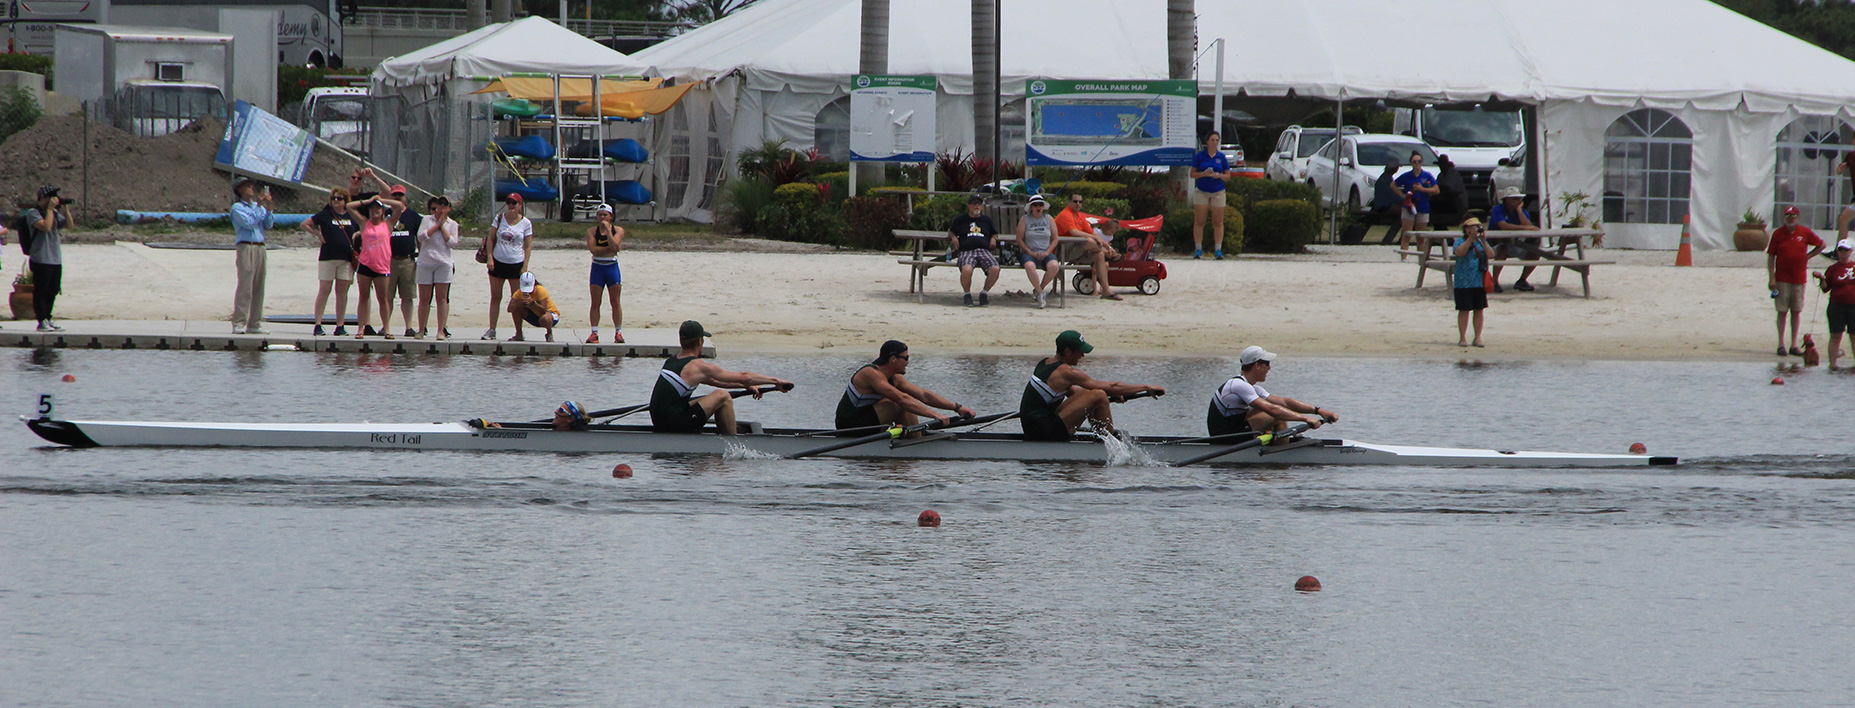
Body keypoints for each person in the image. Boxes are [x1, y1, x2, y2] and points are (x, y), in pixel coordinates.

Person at [650, 320, 794, 435]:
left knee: (714, 396)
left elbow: (714, 381)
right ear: (700, 342)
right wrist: (776, 381)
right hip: (673, 425)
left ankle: (727, 436)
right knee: (723, 397)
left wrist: (746, 387)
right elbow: (744, 376)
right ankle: (733, 445)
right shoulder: (699, 366)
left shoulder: (672, 361)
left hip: (660, 421)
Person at [1018, 330, 1165, 441]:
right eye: (1080, 352)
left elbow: (1076, 393)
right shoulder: (1066, 372)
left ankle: (1102, 435)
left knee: (1096, 394)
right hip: (1043, 432)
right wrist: (1145, 387)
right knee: (1099, 394)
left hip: (1036, 426)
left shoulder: (1045, 363)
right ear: (1068, 351)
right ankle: (1110, 441)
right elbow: (1110, 386)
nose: (1082, 355)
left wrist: (1110, 396)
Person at [836, 340, 976, 432]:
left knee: (907, 402)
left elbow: (923, 395)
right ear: (893, 359)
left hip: (868, 422)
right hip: (849, 426)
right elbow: (902, 399)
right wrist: (935, 415)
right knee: (898, 402)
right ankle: (916, 444)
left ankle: (915, 440)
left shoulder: (895, 378)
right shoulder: (870, 373)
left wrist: (958, 408)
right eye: (906, 358)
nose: (908, 362)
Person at [1207, 346, 1335, 438]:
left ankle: (1280, 456)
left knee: (1279, 413)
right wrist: (1305, 418)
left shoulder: (1252, 388)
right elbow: (1273, 410)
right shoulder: (1238, 385)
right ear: (1257, 365)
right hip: (1222, 437)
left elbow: (1285, 402)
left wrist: (1318, 411)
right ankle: (1281, 456)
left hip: (1235, 430)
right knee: (1275, 414)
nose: (1269, 368)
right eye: (1267, 364)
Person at [345, 194, 406, 339]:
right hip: (365, 265)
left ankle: (387, 328)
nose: (375, 211)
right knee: (364, 297)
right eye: (372, 209)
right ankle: (361, 328)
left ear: (382, 211)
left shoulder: (388, 224)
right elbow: (349, 206)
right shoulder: (364, 223)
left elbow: (400, 207)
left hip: (382, 266)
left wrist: (382, 200)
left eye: (377, 209)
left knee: (383, 298)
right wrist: (368, 201)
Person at [1768, 205, 1825, 356]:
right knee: (1782, 310)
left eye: (1793, 216)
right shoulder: (1778, 234)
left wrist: (1808, 256)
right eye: (1788, 216)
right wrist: (1771, 277)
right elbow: (1771, 256)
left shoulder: (1804, 232)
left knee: (1796, 310)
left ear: (1797, 218)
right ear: (1784, 218)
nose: (1790, 219)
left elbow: (1821, 245)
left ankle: (1794, 344)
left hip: (1798, 278)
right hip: (1782, 278)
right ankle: (1781, 344)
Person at [304, 187, 356, 336]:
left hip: (345, 258)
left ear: (345, 201)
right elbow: (305, 223)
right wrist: (317, 234)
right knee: (324, 290)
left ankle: (340, 325)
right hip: (327, 257)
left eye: (339, 199)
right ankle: (318, 324)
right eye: (334, 198)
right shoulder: (326, 214)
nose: (336, 201)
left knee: (342, 292)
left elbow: (361, 227)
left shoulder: (351, 216)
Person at [482, 193, 532, 340]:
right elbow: (491, 239)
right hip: (498, 262)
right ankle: (492, 329)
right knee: (495, 297)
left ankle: (518, 332)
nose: (511, 206)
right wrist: (490, 258)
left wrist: (525, 265)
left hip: (516, 263)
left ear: (520, 205)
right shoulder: (499, 219)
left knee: (516, 298)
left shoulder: (525, 223)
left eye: (514, 203)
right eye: (509, 202)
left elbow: (528, 246)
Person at [376, 177, 422, 338]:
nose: (397, 199)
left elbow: (419, 238)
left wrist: (420, 257)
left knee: (408, 296)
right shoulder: (385, 215)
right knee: (387, 296)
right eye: (394, 196)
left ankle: (409, 327)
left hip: (407, 260)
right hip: (388, 261)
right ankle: (385, 326)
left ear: (405, 197)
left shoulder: (413, 216)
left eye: (400, 196)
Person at [1054, 194, 1123, 300]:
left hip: (1077, 249)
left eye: (1080, 202)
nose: (1078, 204)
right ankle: (1109, 255)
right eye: (1075, 201)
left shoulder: (1080, 216)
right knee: (1090, 241)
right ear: (1069, 202)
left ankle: (1106, 290)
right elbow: (1075, 232)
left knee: (1099, 255)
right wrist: (1102, 245)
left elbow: (1093, 233)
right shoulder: (1065, 214)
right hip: (1061, 249)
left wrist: (1108, 247)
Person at [228, 179, 274, 334]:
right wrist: (260, 207)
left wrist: (269, 207)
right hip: (246, 247)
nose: (251, 188)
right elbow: (249, 223)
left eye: (251, 186)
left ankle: (254, 323)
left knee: (259, 286)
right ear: (240, 190)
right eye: (247, 186)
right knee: (245, 285)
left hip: (260, 247)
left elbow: (268, 224)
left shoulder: (256, 206)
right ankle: (239, 322)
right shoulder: (237, 208)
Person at [414, 195, 459, 339]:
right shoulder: (427, 220)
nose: (441, 208)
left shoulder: (453, 224)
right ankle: (421, 329)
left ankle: (441, 330)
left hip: (444, 263)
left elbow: (453, 243)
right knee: (424, 298)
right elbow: (421, 237)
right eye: (439, 205)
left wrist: (442, 227)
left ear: (449, 208)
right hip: (426, 262)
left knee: (442, 298)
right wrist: (435, 226)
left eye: (444, 206)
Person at [26, 186, 70, 331]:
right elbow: (46, 227)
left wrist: (65, 209)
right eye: (51, 196)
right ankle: (41, 320)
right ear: (42, 198)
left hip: (55, 258)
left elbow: (70, 226)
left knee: (53, 289)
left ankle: (48, 317)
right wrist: (50, 210)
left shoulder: (55, 213)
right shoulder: (33, 213)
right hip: (41, 258)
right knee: (41, 290)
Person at [948, 194, 1001, 306]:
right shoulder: (961, 219)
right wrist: (953, 238)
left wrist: (993, 238)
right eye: (974, 203)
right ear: (969, 206)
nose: (976, 205)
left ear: (982, 207)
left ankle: (984, 293)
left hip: (983, 250)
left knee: (995, 269)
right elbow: (951, 231)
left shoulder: (987, 220)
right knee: (967, 269)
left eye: (979, 203)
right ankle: (967, 294)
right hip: (967, 250)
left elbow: (995, 233)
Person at [1188, 131, 1234, 259]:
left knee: (1218, 221)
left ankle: (1218, 249)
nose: (1214, 142)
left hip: (1218, 191)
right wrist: (1204, 174)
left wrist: (1219, 175)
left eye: (1217, 140)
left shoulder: (1221, 157)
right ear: (1207, 141)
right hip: (1202, 190)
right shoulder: (1200, 156)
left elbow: (1228, 176)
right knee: (1199, 220)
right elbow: (1192, 174)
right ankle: (1198, 249)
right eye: (1212, 140)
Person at [1488, 186, 1542, 292]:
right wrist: (1526, 227)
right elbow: (1503, 226)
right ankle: (1494, 281)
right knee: (1502, 249)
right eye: (1515, 198)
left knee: (1535, 252)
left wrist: (1519, 211)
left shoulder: (1522, 212)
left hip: (1515, 243)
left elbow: (1530, 228)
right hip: (1494, 244)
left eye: (1519, 198)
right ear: (1507, 200)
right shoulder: (1498, 209)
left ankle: (1522, 280)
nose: (1518, 201)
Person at [585, 203, 625, 344]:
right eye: (600, 214)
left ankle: (618, 332)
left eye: (605, 215)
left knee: (615, 301)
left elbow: (616, 247)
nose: (602, 217)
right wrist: (610, 248)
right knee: (596, 302)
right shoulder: (591, 231)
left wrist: (608, 232)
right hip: (597, 267)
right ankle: (594, 332)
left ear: (611, 216)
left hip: (611, 267)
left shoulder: (617, 230)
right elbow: (594, 250)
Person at [1452, 216, 1493, 347]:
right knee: (1464, 309)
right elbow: (1459, 253)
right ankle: (1462, 337)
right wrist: (1470, 239)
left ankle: (1478, 337)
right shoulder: (1459, 241)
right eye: (1472, 227)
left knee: (1479, 309)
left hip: (1478, 281)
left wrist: (1484, 241)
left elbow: (1491, 255)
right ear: (1466, 229)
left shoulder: (1481, 243)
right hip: (1463, 281)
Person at [1814, 239, 1855, 369]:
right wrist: (1821, 279)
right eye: (1840, 250)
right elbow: (1826, 288)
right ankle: (1832, 364)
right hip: (1836, 305)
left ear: (1851, 251)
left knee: (1854, 335)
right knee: (1835, 334)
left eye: (1846, 250)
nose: (1843, 253)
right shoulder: (1832, 269)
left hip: (1853, 305)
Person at [1015, 194, 1061, 308]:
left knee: (1054, 266)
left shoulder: (1049, 219)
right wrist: (1030, 252)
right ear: (1031, 207)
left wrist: (1047, 251)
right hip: (1029, 252)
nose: (1038, 207)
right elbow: (1019, 239)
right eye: (1035, 205)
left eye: (1040, 205)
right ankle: (1040, 294)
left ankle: (1039, 288)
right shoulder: (1025, 219)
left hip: (1046, 251)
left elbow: (1055, 239)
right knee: (1030, 266)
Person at [1394, 151, 1439, 258]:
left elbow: (1436, 190)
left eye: (1419, 161)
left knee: (1421, 236)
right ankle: (1404, 258)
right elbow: (1393, 184)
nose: (1417, 164)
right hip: (1409, 206)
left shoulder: (1427, 175)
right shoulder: (1406, 176)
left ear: (1422, 162)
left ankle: (1422, 258)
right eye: (1414, 162)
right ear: (1411, 163)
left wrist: (1422, 189)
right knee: (1406, 234)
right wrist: (1402, 195)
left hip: (1423, 206)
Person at [507, 272, 559, 342]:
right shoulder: (519, 293)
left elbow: (543, 310)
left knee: (545, 318)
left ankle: (549, 333)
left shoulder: (540, 290)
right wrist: (519, 304)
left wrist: (533, 304)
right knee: (516, 309)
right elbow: (509, 309)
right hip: (533, 316)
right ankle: (518, 334)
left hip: (550, 315)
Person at [1430, 155, 1466, 229]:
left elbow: (1449, 188)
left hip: (1457, 203)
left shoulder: (1453, 173)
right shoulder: (1440, 175)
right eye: (1440, 165)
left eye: (1442, 165)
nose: (1441, 167)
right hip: (1446, 203)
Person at [1372, 160, 1402, 244]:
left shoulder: (1386, 177)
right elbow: (1392, 196)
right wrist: (1404, 199)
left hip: (1384, 205)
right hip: (1383, 206)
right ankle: (1389, 240)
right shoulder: (1386, 179)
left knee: (1405, 212)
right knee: (1405, 213)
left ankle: (1395, 239)